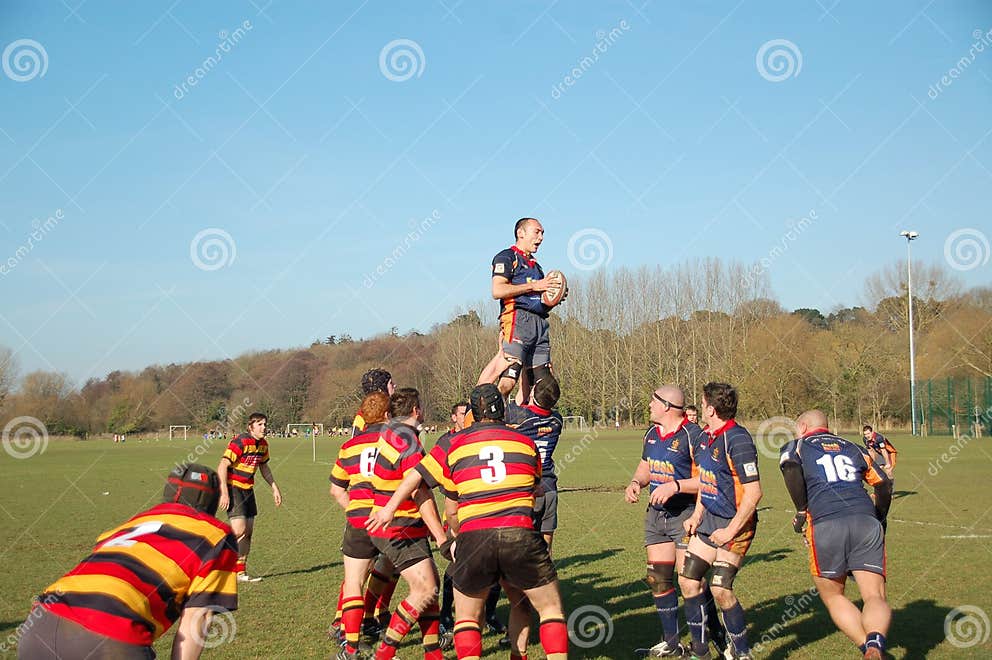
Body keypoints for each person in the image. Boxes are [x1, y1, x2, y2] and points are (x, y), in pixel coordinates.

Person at [368, 384, 568, 660]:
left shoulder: (452, 442)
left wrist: (390, 507)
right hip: (519, 535)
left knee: (467, 619)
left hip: (474, 539)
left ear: (473, 412)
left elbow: (417, 478)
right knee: (549, 610)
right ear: (504, 409)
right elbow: (536, 487)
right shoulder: (524, 441)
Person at [17, 463, 238, 660]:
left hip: (38, 625)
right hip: (110, 635)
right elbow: (197, 618)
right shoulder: (216, 535)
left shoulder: (129, 525)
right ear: (212, 502)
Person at [625, 385, 729, 658]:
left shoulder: (693, 435)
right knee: (658, 578)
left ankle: (707, 639)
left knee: (690, 581)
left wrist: (675, 486)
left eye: (653, 401)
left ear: (667, 406)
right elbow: (645, 465)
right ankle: (672, 642)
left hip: (685, 515)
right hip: (656, 515)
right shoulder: (650, 433)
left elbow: (709, 478)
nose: (649, 404)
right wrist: (636, 481)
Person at [781, 411, 893, 660]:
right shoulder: (852, 446)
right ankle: (876, 644)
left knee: (833, 596)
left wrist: (801, 510)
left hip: (825, 523)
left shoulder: (796, 445)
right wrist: (880, 516)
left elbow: (789, 467)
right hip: (865, 519)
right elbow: (883, 482)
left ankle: (866, 648)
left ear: (802, 426)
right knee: (874, 595)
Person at [365, 388, 448, 660]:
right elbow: (419, 491)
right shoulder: (409, 442)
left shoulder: (388, 431)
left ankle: (433, 653)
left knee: (430, 587)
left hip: (390, 521)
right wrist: (441, 536)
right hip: (399, 524)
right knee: (425, 589)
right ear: (417, 411)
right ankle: (384, 653)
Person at [680, 383, 761, 660]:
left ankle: (741, 652)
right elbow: (706, 481)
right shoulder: (705, 437)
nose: (700, 408)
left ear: (711, 409)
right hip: (709, 520)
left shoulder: (737, 439)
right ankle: (700, 651)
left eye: (702, 404)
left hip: (736, 523)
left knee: (720, 589)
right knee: (688, 580)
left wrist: (730, 530)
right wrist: (696, 515)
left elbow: (754, 493)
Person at [330, 392, 393, 658]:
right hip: (389, 518)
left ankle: (351, 645)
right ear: (388, 415)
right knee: (411, 575)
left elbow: (336, 490)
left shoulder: (349, 446)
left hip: (358, 520)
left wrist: (355, 510)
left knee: (354, 581)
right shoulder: (398, 441)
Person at [479, 218, 560, 402]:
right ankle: (479, 412)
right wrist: (534, 286)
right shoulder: (507, 257)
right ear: (520, 233)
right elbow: (498, 290)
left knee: (541, 388)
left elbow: (537, 300)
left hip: (540, 325)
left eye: (543, 233)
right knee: (508, 379)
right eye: (537, 232)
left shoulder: (536, 267)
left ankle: (524, 425)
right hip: (517, 320)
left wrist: (553, 299)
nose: (541, 237)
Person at [217, 412, 283, 583]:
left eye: (265, 424)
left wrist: (274, 488)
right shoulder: (240, 442)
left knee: (248, 532)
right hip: (234, 488)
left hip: (248, 490)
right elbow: (222, 465)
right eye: (260, 424)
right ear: (250, 426)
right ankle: (215, 556)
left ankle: (240, 572)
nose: (264, 427)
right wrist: (224, 491)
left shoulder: (263, 445)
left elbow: (264, 468)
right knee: (238, 530)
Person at [506, 376, 564, 554]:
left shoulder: (521, 417)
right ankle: (546, 578)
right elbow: (547, 393)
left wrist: (524, 372)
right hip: (549, 487)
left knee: (523, 546)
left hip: (528, 487)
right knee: (545, 547)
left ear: (532, 393)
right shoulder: (557, 420)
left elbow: (503, 397)